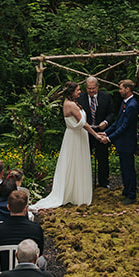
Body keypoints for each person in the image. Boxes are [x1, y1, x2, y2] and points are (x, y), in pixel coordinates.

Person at [33, 82, 96, 210]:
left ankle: (76, 192)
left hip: (78, 136)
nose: (80, 92)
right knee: (75, 162)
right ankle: (76, 194)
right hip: (75, 138)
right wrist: (96, 135)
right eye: (78, 90)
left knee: (77, 163)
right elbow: (83, 123)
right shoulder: (70, 105)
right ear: (71, 92)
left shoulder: (71, 103)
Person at [99, 78, 139, 204]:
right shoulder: (125, 102)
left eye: (121, 88)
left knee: (128, 169)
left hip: (127, 143)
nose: (119, 91)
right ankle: (127, 190)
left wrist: (109, 138)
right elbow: (118, 122)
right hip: (122, 143)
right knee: (124, 168)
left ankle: (131, 195)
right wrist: (106, 132)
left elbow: (125, 127)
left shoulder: (132, 105)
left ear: (127, 89)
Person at [0, 188, 45, 263]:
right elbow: (39, 252)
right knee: (42, 261)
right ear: (26, 208)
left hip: (4, 269)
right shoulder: (36, 229)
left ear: (8, 207)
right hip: (30, 268)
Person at [81, 77, 116, 189]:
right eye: (89, 88)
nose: (91, 91)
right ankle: (85, 183)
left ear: (97, 87)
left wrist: (105, 122)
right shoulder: (80, 98)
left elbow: (111, 113)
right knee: (85, 158)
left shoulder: (106, 97)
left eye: (93, 88)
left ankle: (104, 182)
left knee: (103, 158)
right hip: (86, 133)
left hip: (101, 132)